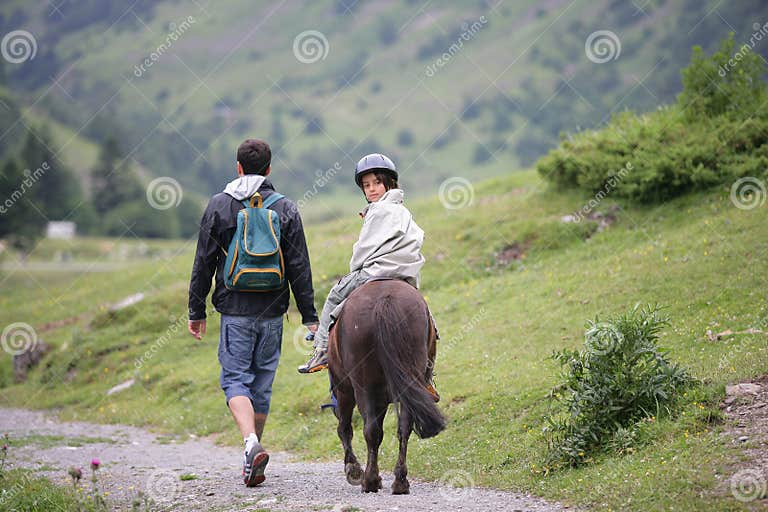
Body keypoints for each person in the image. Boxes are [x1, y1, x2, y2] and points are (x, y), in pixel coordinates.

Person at [188, 139, 319, 487]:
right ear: (270, 170)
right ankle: (253, 457)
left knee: (235, 380)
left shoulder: (219, 205)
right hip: (274, 312)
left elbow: (203, 262)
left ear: (239, 167)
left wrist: (195, 309)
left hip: (235, 311)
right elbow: (299, 265)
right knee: (261, 385)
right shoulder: (286, 208)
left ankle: (250, 445)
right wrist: (309, 315)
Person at [297, 153, 439, 400]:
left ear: (389, 183)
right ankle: (426, 376)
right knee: (428, 320)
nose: (372, 189)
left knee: (334, 296)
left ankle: (320, 350)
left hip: (374, 271)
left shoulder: (379, 210)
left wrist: (356, 268)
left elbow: (364, 249)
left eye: (377, 183)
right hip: (404, 275)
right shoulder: (403, 211)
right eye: (367, 185)